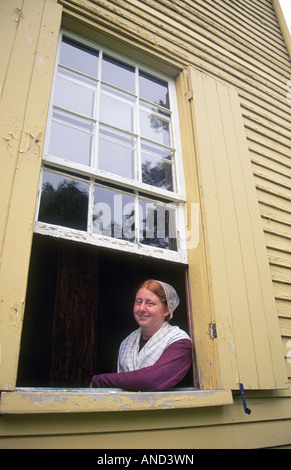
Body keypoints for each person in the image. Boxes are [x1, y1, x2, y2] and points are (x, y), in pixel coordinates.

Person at [90, 279, 192, 391]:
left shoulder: (179, 341)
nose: (141, 308)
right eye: (138, 302)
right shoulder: (126, 342)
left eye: (150, 303)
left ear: (167, 310)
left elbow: (152, 379)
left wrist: (99, 381)